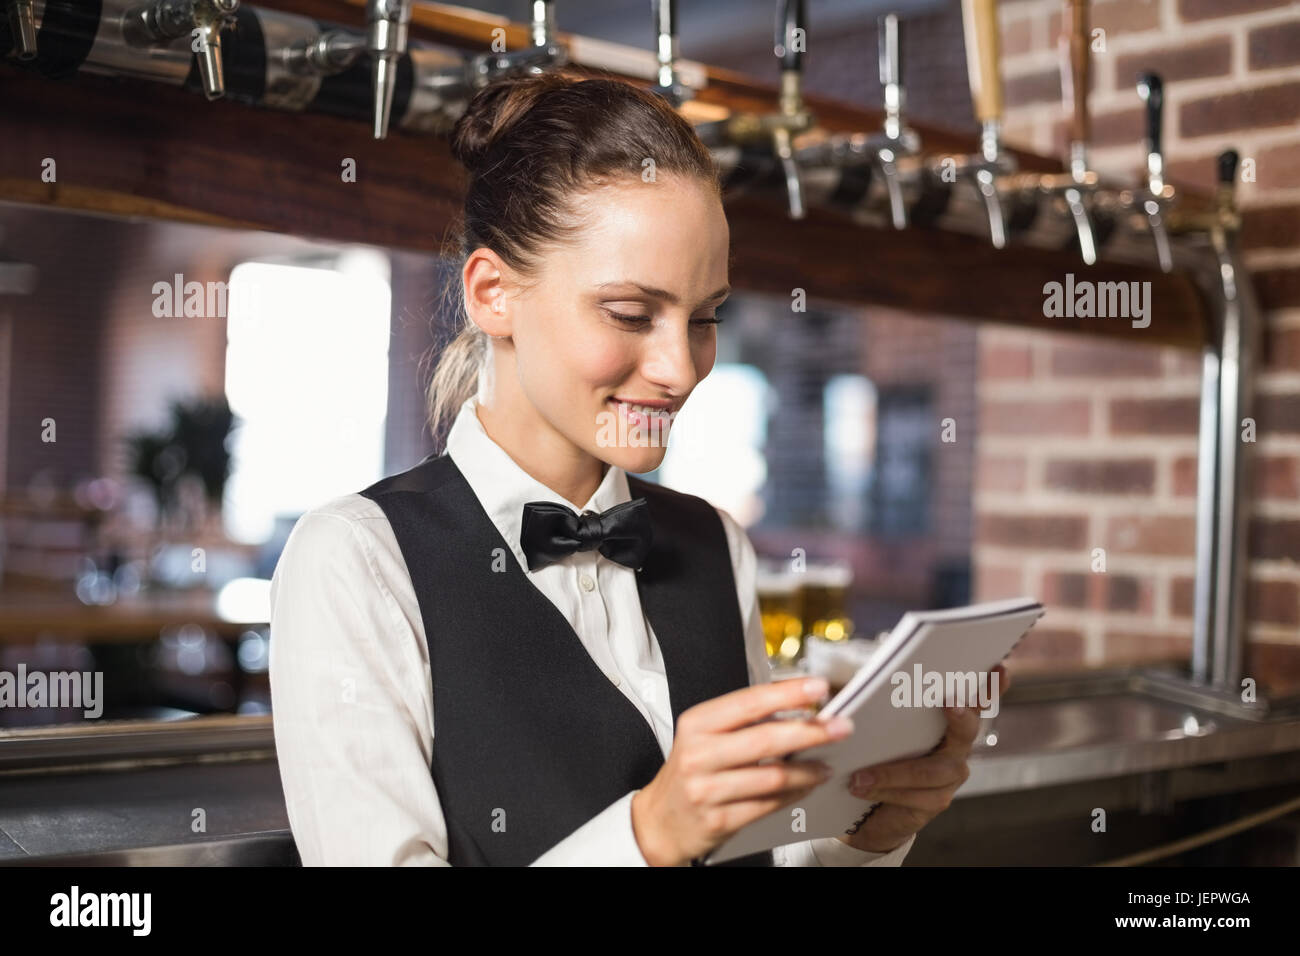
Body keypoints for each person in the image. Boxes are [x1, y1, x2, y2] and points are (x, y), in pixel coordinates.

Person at [268, 70, 1002, 866]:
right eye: (630, 314)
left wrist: (869, 834)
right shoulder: (356, 561)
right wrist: (650, 835)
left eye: (705, 318)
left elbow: (764, 848)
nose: (680, 369)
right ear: (493, 293)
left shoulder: (717, 543)